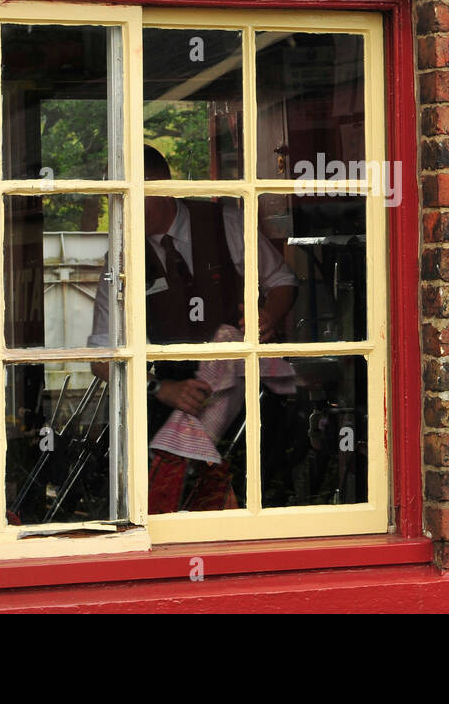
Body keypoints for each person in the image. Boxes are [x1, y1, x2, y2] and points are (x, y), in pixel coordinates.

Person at [88, 145, 297, 511]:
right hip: (172, 387)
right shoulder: (119, 261)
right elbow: (101, 358)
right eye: (114, 198)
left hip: (244, 386)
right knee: (171, 501)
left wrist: (265, 318)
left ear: (161, 187)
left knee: (259, 499)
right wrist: (160, 387)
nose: (121, 208)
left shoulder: (225, 222)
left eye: (128, 195)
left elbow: (283, 280)